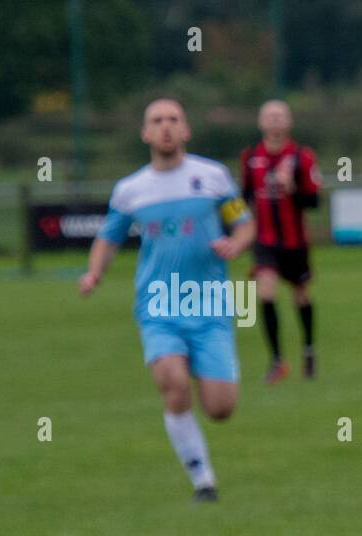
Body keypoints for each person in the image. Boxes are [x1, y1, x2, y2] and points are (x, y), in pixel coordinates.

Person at [79, 97, 254, 502]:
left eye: (173, 119)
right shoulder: (130, 190)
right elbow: (108, 238)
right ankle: (203, 480)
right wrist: (94, 273)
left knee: (221, 408)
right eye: (157, 121)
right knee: (172, 384)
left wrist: (236, 243)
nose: (165, 127)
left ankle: (202, 366)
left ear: (186, 129)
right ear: (145, 133)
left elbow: (244, 224)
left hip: (211, 303)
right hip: (159, 303)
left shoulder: (214, 177)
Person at [241, 99, 322, 383]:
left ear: (288, 122)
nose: (275, 121)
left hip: (295, 243)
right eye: (269, 116)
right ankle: (277, 360)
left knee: (301, 296)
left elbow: (314, 201)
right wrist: (236, 229)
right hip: (265, 242)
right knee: (265, 293)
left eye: (280, 116)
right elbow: (243, 199)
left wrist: (293, 188)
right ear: (261, 122)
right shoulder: (250, 157)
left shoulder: (303, 157)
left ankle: (309, 349)